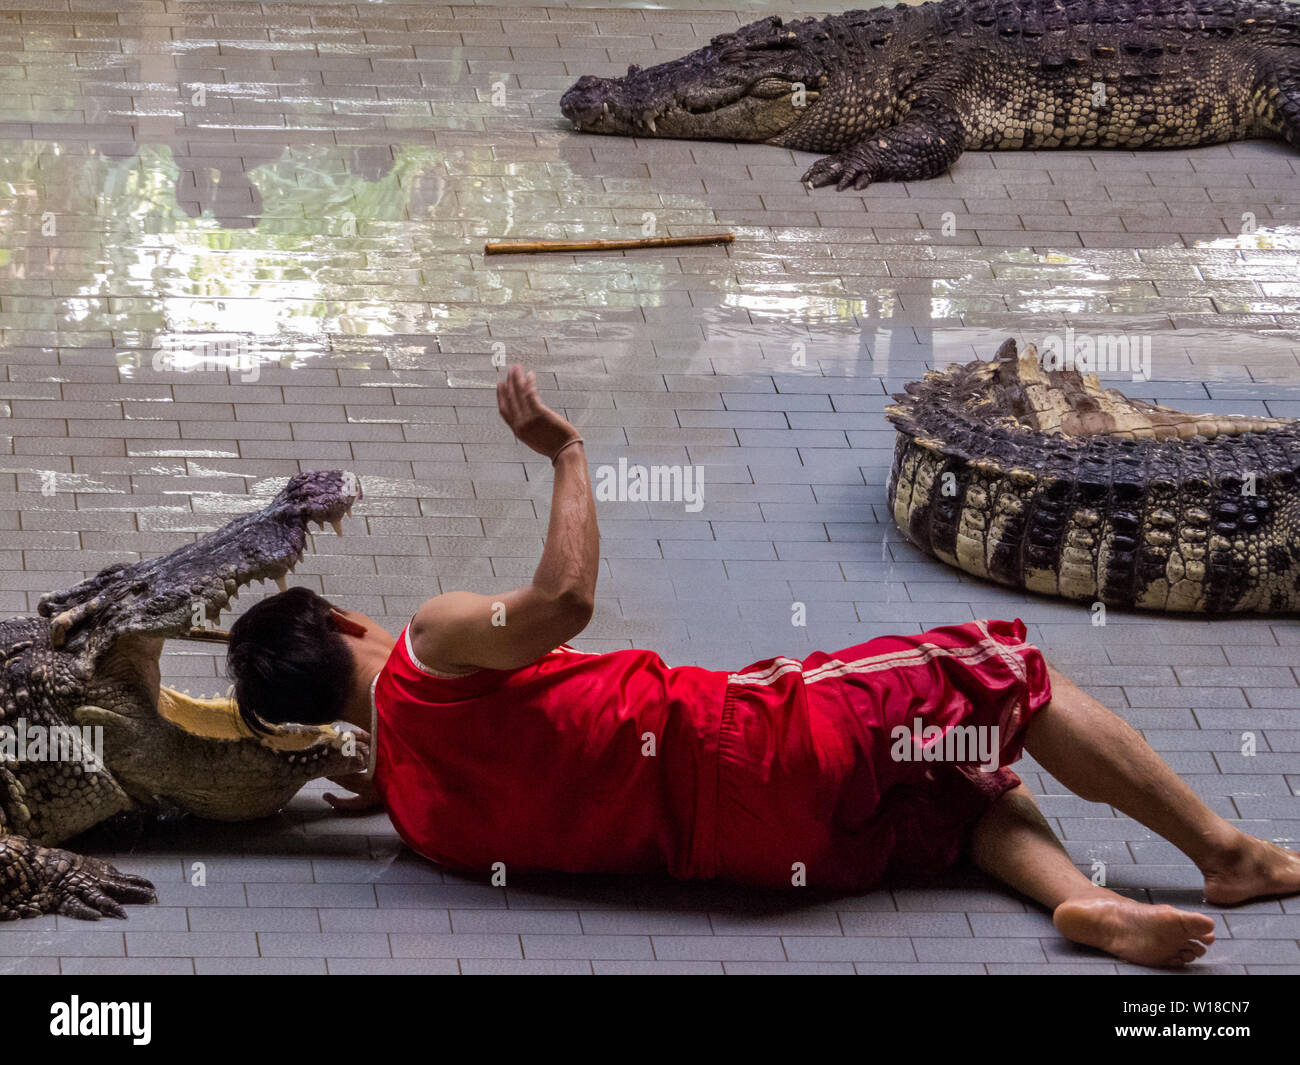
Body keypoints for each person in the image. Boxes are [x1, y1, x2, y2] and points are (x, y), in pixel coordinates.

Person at [227, 365, 1300, 968]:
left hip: (754, 855)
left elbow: (406, 765)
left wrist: (350, 772)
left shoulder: (417, 813)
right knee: (1007, 674)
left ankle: (1085, 906)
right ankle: (1226, 853)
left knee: (959, 786)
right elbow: (564, 601)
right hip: (760, 740)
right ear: (347, 619)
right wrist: (567, 453)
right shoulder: (427, 647)